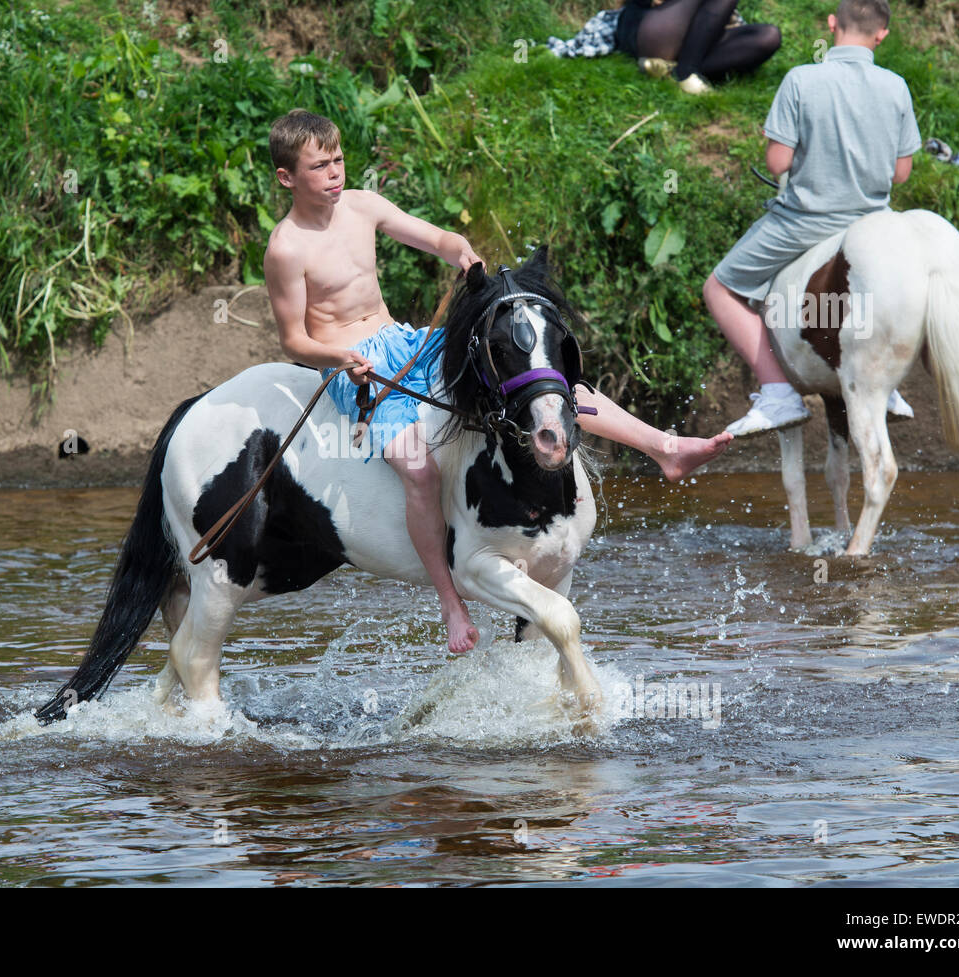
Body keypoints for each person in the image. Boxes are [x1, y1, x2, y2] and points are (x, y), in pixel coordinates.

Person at [264, 110, 731, 653]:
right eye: (319, 166)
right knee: (416, 469)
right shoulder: (286, 248)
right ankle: (450, 599)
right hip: (352, 365)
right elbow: (293, 341)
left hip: (407, 340)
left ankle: (665, 448)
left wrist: (459, 249)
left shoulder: (364, 206)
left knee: (534, 376)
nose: (335, 173)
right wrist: (339, 357)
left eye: (339, 159)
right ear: (286, 178)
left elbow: (434, 237)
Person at [702, 0, 921, 436]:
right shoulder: (896, 86)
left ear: (832, 23)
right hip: (873, 222)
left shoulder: (801, 79)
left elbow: (778, 163)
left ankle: (778, 392)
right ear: (881, 35)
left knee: (719, 288)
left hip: (806, 221)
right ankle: (889, 384)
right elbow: (901, 171)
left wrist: (778, 139)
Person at [615, 0, 781, 93]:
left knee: (768, 37)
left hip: (699, 35)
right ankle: (686, 73)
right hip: (655, 28)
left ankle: (672, 70)